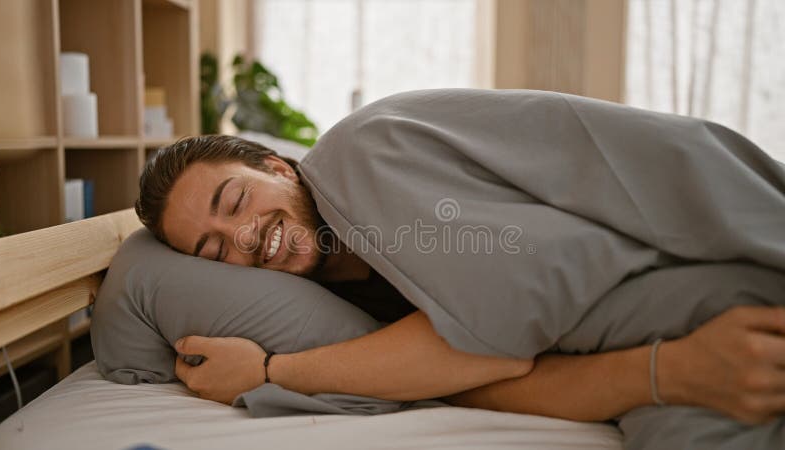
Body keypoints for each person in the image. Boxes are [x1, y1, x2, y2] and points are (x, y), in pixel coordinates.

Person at [135, 134, 785, 425]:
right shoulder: (343, 305)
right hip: (672, 353)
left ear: (278, 167)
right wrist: (665, 373)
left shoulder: (358, 158)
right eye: (214, 249)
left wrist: (271, 372)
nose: (244, 238)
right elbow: (490, 383)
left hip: (700, 272)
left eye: (234, 202)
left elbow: (492, 342)